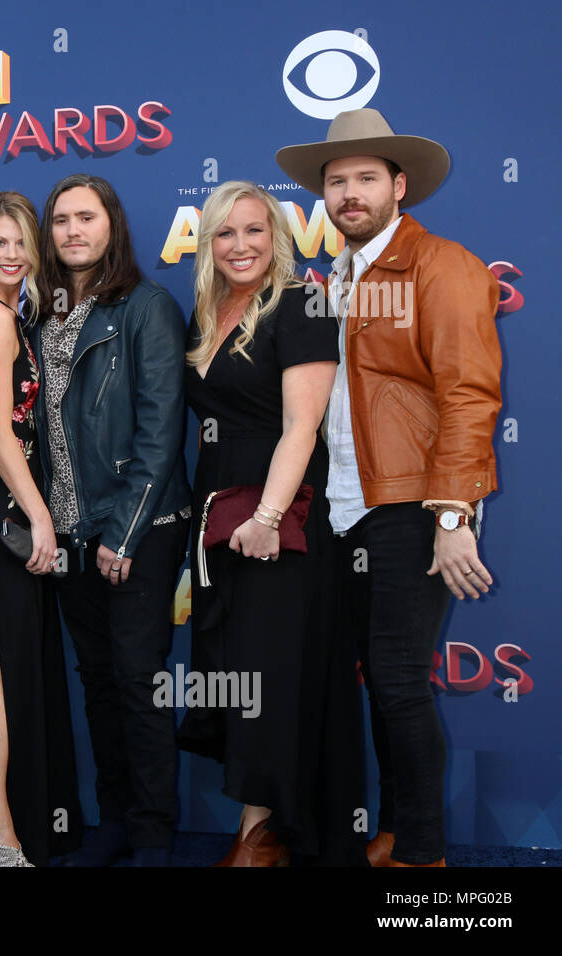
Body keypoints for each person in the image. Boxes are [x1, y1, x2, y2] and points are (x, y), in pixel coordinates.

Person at [276, 109, 503, 868]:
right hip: (349, 509)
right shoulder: (336, 278)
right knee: (381, 680)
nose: (350, 193)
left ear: (398, 186)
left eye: (366, 178)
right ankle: (402, 831)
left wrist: (452, 511)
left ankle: (424, 859)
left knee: (402, 682)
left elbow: (468, 394)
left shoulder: (442, 266)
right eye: (337, 182)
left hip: (410, 505)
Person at [176, 181, 365, 866]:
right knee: (235, 667)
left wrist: (266, 516)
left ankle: (263, 836)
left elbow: (302, 426)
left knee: (272, 674)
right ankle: (267, 829)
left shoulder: (301, 303)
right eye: (226, 233)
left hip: (280, 521)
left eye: (255, 231)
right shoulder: (208, 311)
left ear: (277, 237)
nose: (240, 245)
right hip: (220, 516)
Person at [33, 174, 190, 867]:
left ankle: (155, 833)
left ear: (111, 225)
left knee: (137, 678)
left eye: (85, 217)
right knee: (96, 680)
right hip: (68, 531)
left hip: (138, 529)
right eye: (61, 219)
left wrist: (121, 533)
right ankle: (117, 818)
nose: (72, 230)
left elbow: (160, 433)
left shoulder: (146, 307)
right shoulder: (41, 311)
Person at [0, 191, 82, 867]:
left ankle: (10, 822)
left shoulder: (10, 314)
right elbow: (1, 433)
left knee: (11, 665)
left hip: (5, 499)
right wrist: (39, 517)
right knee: (1, 671)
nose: (10, 255)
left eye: (20, 243)